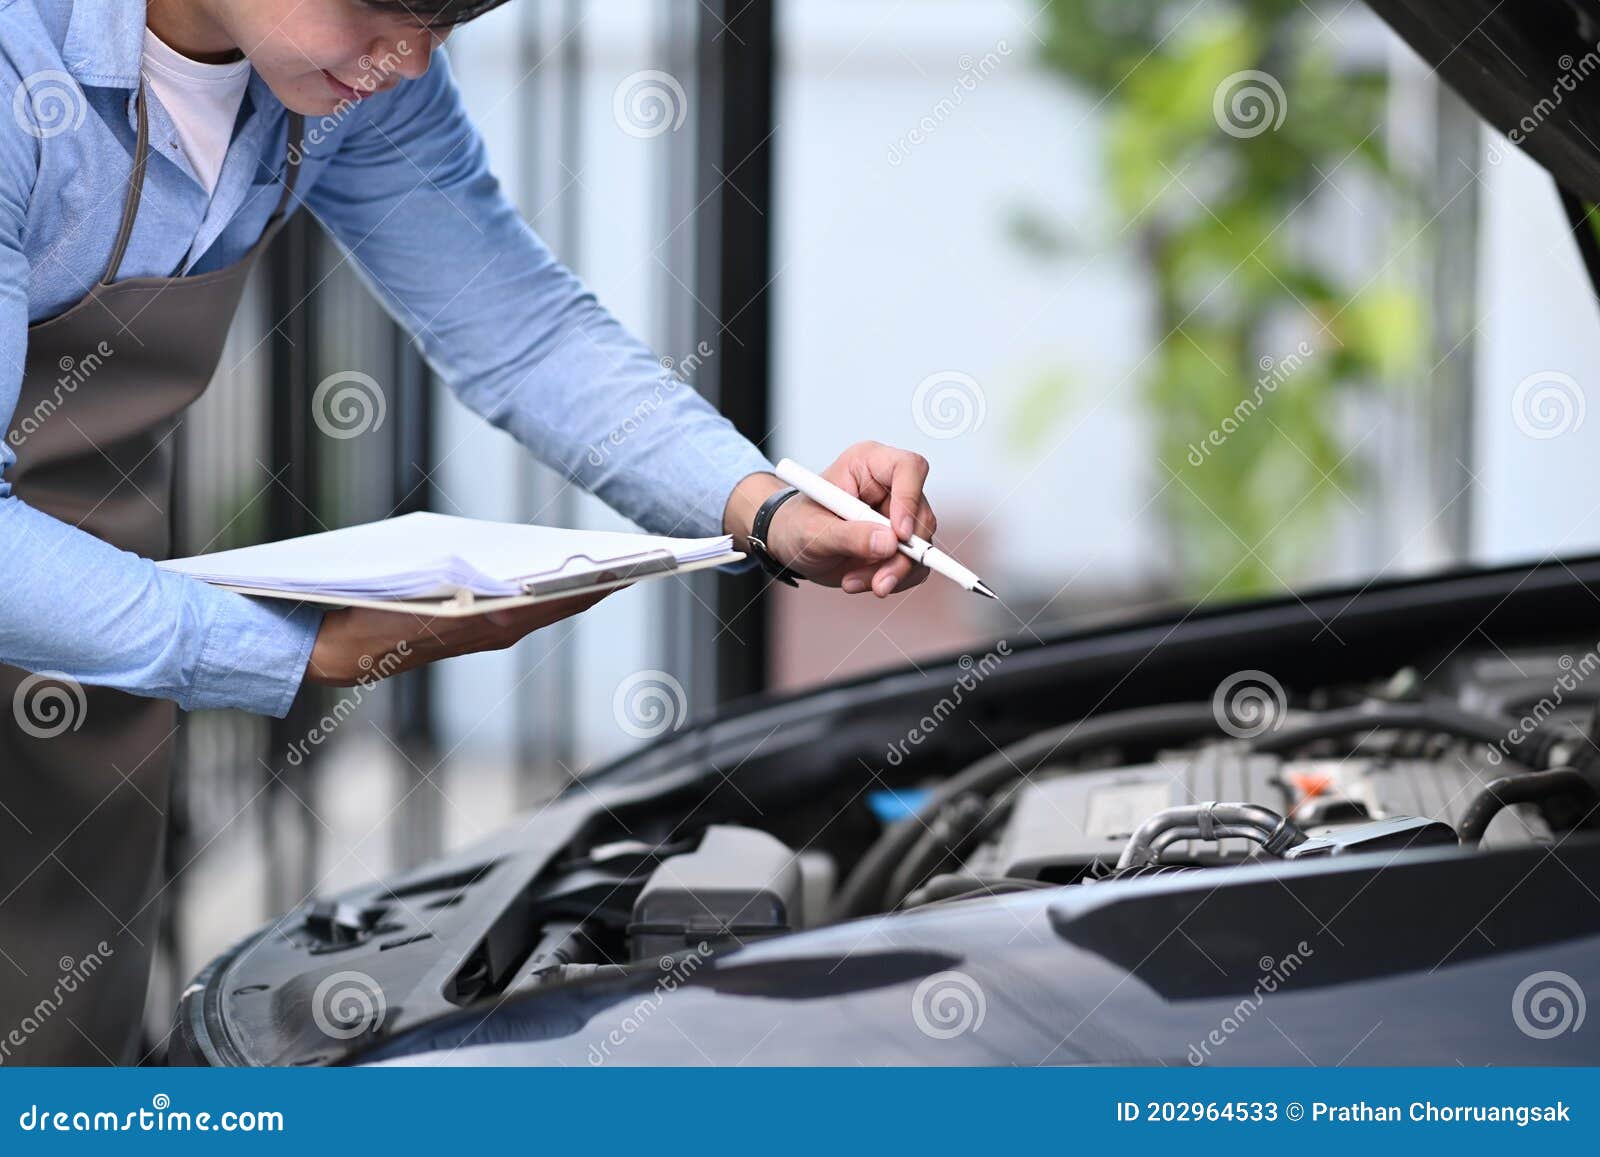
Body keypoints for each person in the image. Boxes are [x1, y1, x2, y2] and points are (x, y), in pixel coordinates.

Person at [0, 0, 940, 1064]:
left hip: (103, 646)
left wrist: (765, 505)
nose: (407, 61)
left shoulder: (346, 80)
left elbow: (521, 329)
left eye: (447, 22)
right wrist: (296, 647)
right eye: (382, 8)